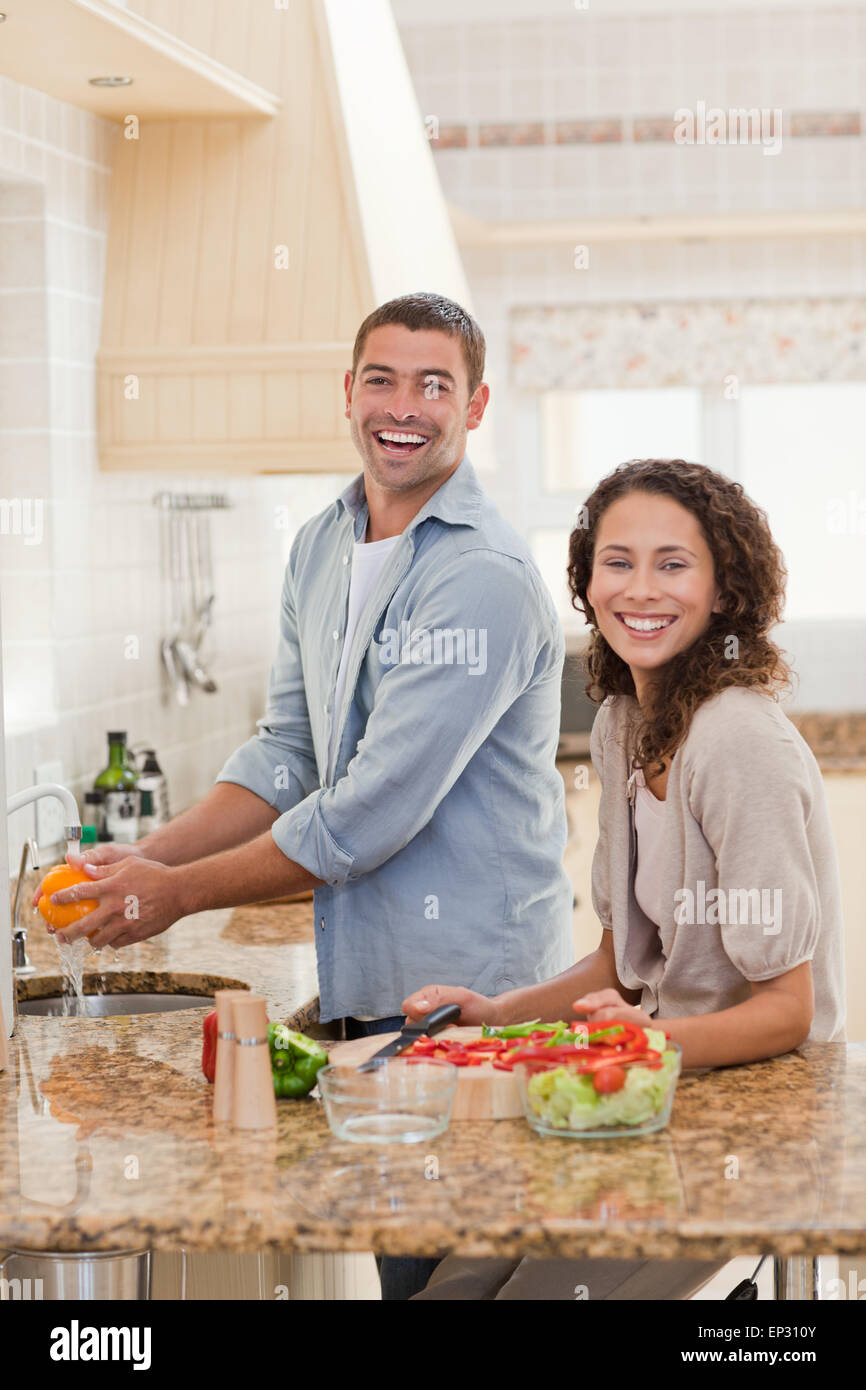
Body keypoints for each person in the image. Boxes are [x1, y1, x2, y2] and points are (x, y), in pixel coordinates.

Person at [39, 292, 574, 1299]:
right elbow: (289, 752)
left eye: (433, 383)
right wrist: (156, 858)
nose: (402, 404)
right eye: (382, 377)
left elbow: (366, 811)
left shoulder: (482, 577)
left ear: (478, 402)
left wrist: (180, 892)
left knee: (451, 1279)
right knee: (405, 1264)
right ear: (348, 392)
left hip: (472, 1003)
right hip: (369, 992)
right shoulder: (323, 543)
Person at [402, 457, 846, 1301]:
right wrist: (499, 1014)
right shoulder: (623, 725)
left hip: (755, 1126)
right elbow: (621, 962)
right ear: (586, 581)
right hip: (652, 1097)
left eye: (673, 564)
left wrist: (646, 1042)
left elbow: (789, 1011)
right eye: (618, 562)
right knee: (452, 1293)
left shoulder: (737, 740)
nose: (641, 589)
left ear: (723, 591)